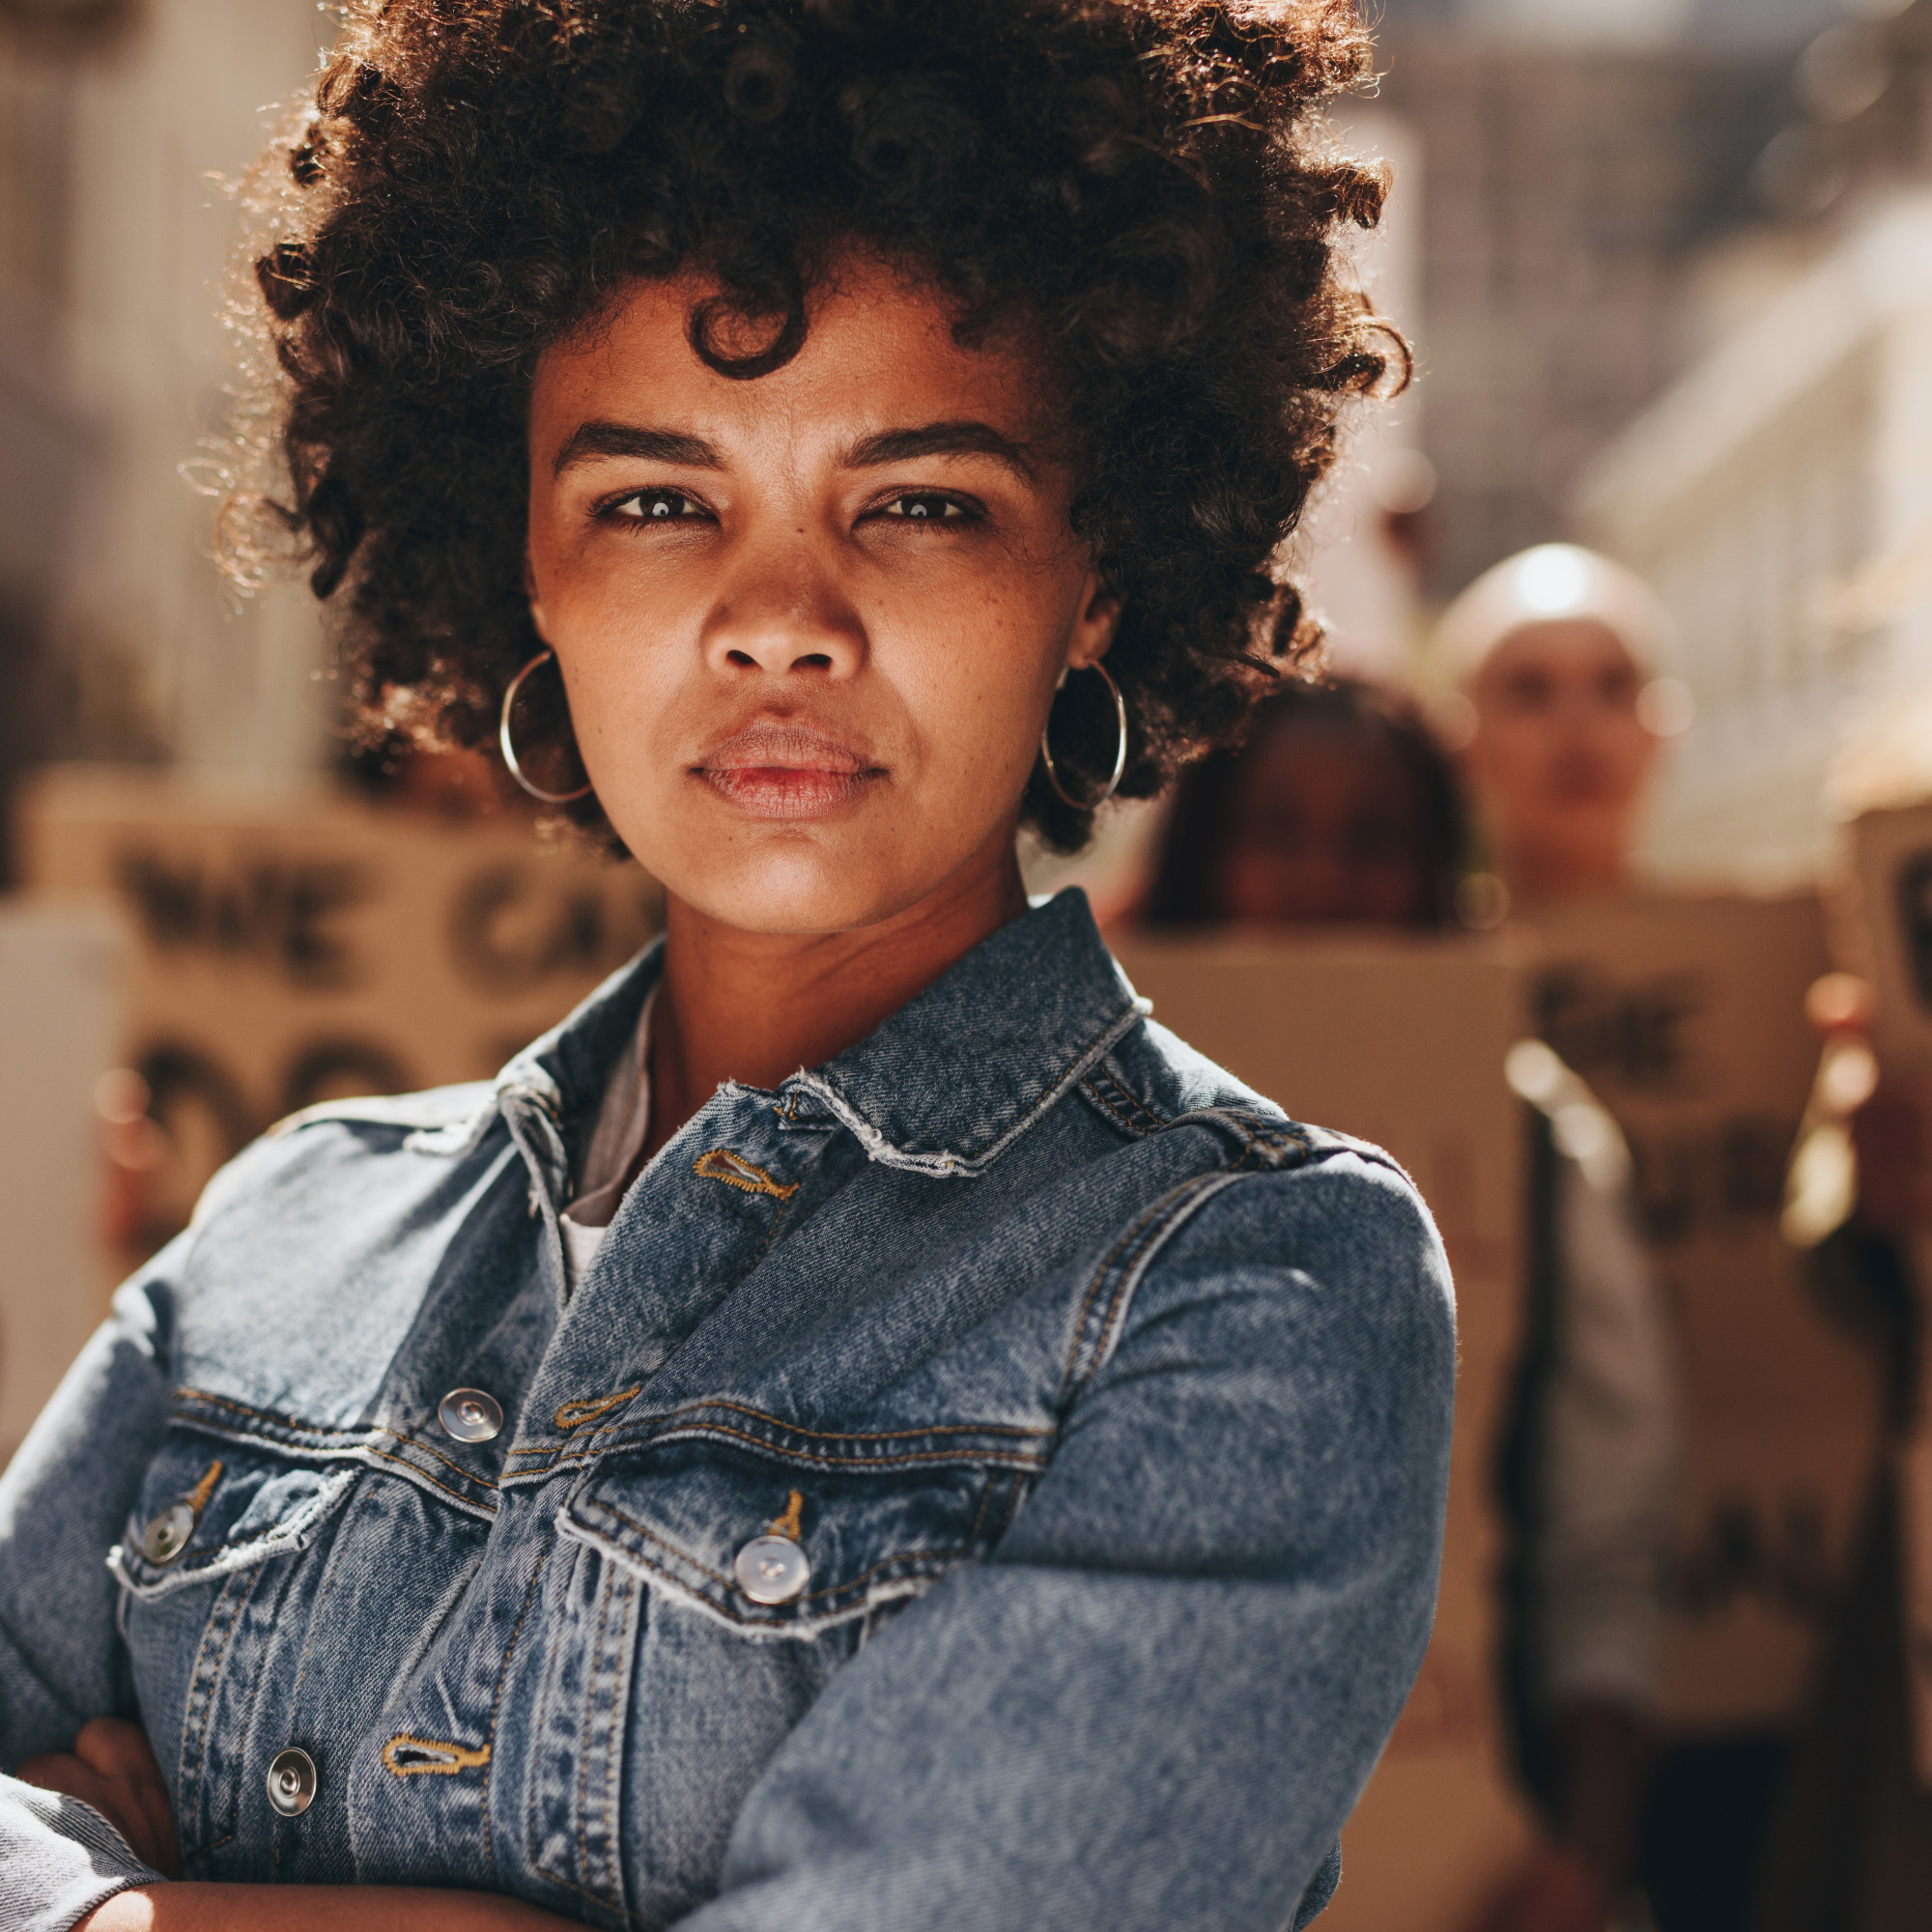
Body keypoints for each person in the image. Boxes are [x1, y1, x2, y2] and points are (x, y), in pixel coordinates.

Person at [0, 4, 1458, 1930]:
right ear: (523, 554)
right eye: (654, 500)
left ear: (1093, 569)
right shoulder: (281, 1232)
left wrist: (133, 1904)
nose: (778, 621)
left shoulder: (1254, 1286)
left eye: (923, 501)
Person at [1146, 671, 1678, 1932]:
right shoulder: (1064, 1124)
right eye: (1274, 832)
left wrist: (1582, 1861)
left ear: (1440, 874)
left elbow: (1607, 1554)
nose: (1320, 879)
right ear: (1206, 856)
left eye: (1373, 841)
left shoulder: (1534, 1141)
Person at [1437, 544, 1676, 914]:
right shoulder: (1417, 963)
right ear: (1462, 744)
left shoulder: (1759, 956)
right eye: (1531, 691)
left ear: (1658, 732)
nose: (1579, 723)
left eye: (1613, 687)